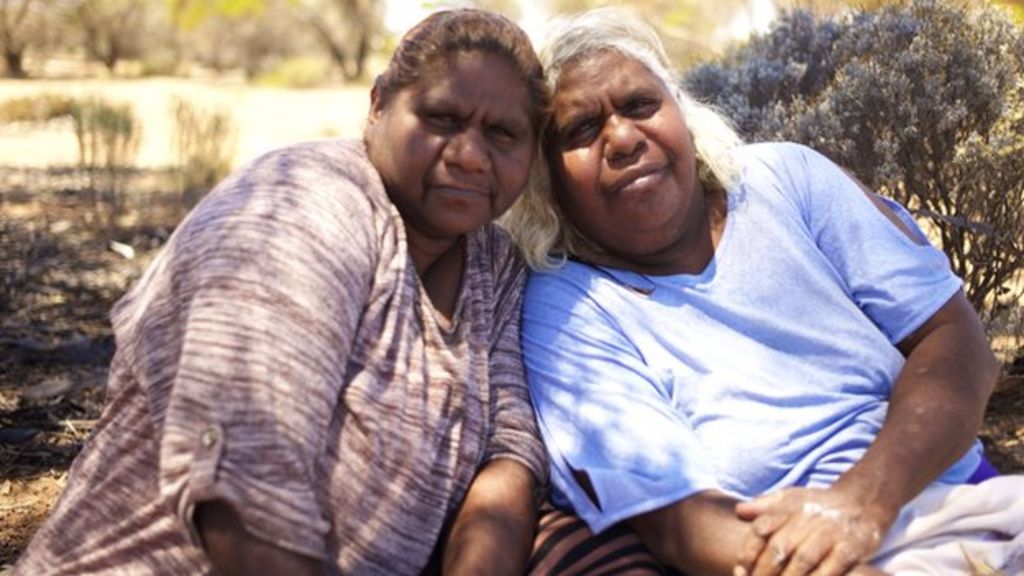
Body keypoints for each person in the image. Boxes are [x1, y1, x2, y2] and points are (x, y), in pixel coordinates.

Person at [16, 9, 548, 575]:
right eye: (442, 118)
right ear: (377, 106)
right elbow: (251, 487)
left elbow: (508, 456)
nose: (469, 154)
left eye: (502, 133)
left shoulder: (495, 265)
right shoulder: (303, 207)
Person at [503, 8, 1024, 576]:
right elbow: (682, 525)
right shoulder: (568, 308)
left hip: (967, 507)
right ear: (546, 181)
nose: (623, 137)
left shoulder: (787, 180)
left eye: (640, 105)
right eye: (581, 129)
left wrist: (861, 501)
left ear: (682, 111)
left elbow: (954, 339)